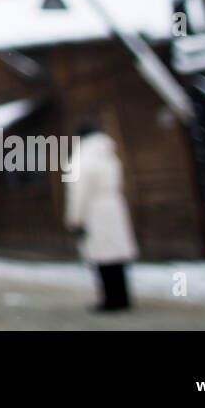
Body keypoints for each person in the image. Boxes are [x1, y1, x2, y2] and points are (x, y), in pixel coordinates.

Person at [64, 123, 137, 312]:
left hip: (94, 209)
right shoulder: (108, 155)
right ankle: (122, 296)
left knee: (101, 256)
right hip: (113, 205)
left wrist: (75, 217)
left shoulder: (81, 158)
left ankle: (109, 299)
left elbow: (78, 191)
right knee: (115, 256)